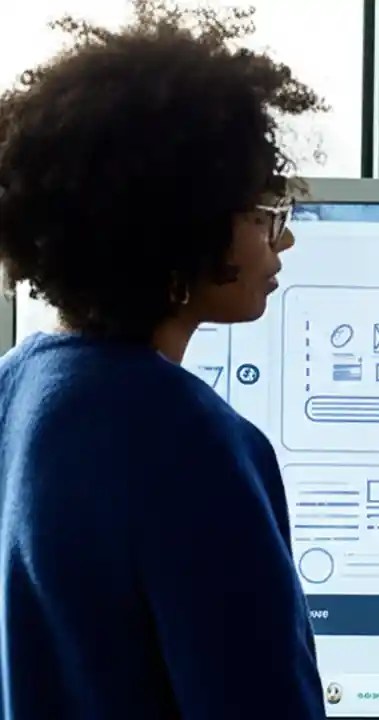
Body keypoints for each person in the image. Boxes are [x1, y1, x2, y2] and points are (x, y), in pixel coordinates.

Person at [0, 3, 327, 718]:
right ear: (185, 229)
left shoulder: (17, 387)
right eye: (261, 211)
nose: (282, 240)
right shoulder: (191, 440)